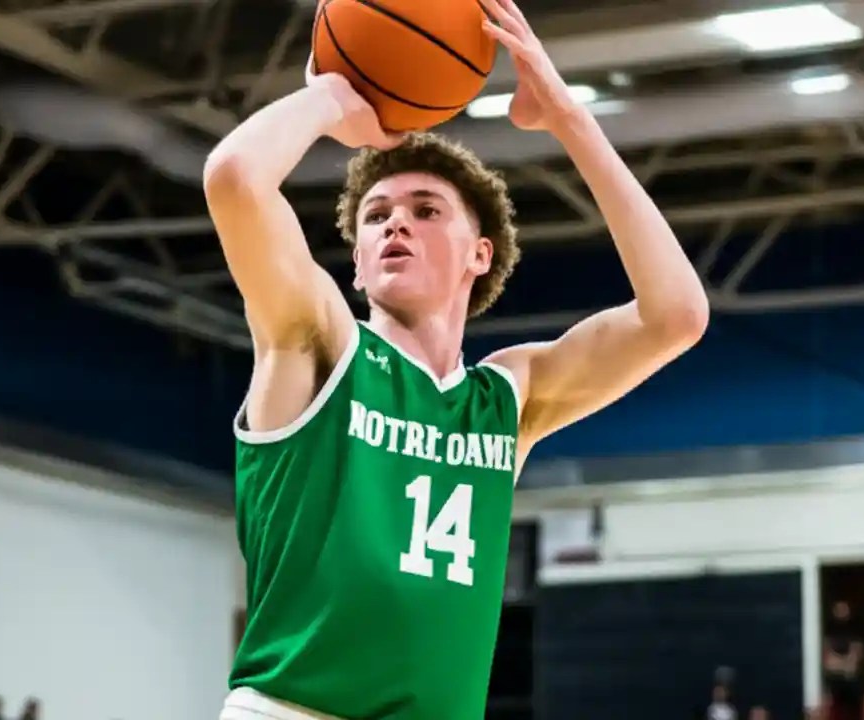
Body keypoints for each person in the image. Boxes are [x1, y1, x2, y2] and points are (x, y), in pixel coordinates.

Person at [204, 1, 708, 718]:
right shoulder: (318, 342)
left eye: (425, 209)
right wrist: (336, 95)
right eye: (376, 216)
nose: (395, 223)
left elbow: (678, 316)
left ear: (482, 255)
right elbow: (233, 179)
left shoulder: (506, 399)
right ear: (356, 265)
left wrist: (567, 115)